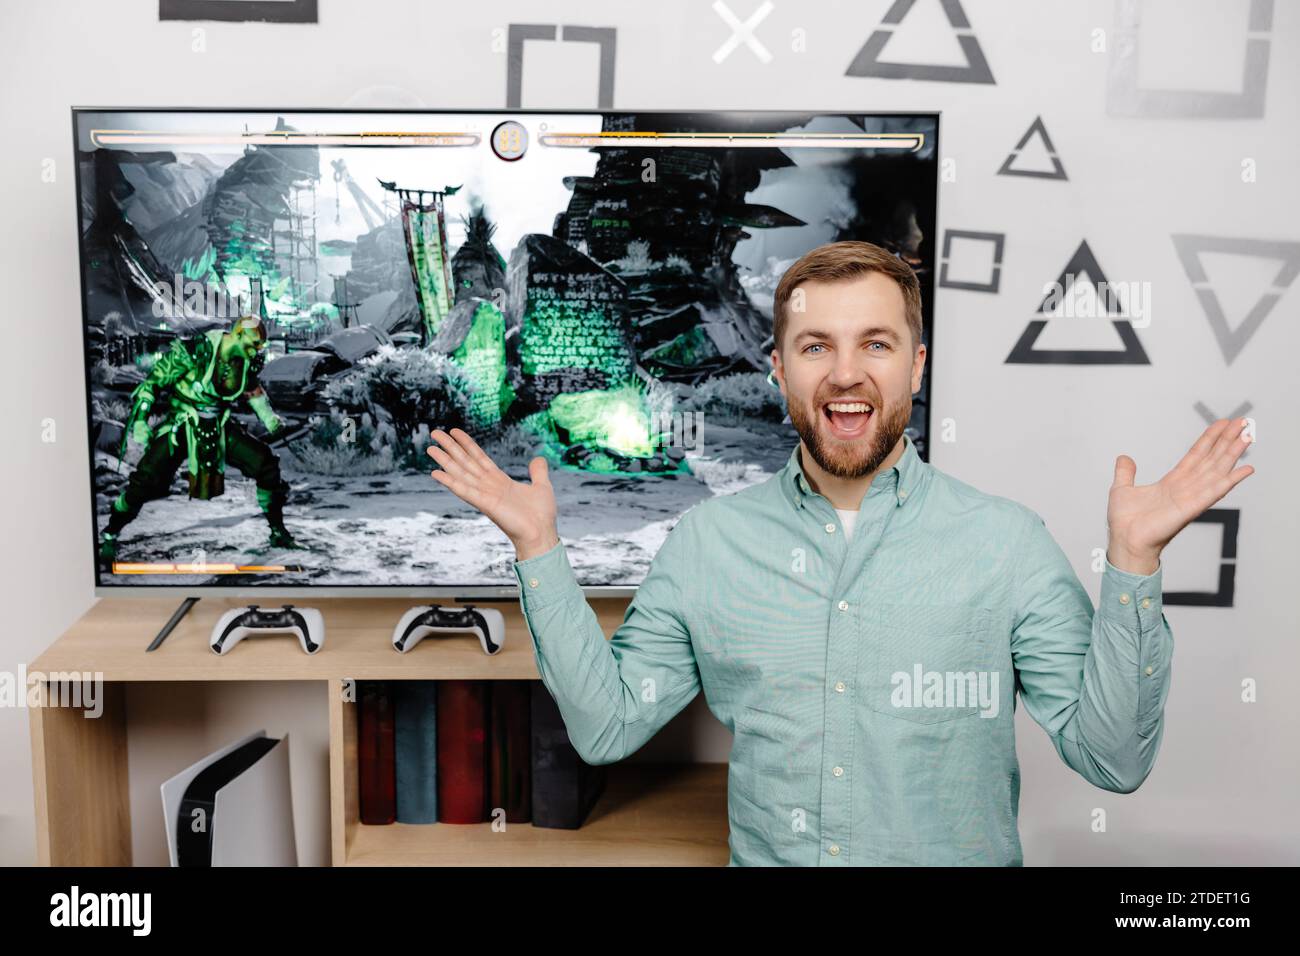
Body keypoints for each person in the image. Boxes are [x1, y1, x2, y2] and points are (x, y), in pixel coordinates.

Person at [425, 240, 1254, 866]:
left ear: (916, 366)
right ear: (778, 367)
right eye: (816, 346)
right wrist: (538, 547)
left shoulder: (1008, 544)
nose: (845, 374)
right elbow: (607, 730)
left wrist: (1134, 565)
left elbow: (1111, 760)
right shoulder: (710, 544)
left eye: (876, 344)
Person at [100, 313, 296, 561]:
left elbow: (252, 390)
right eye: (252, 344)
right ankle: (110, 533)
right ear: (237, 334)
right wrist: (140, 420)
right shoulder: (195, 351)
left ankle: (278, 531)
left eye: (259, 347)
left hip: (219, 423)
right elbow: (153, 383)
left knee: (264, 462)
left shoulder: (243, 361)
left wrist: (268, 418)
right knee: (146, 482)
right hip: (182, 423)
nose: (255, 351)